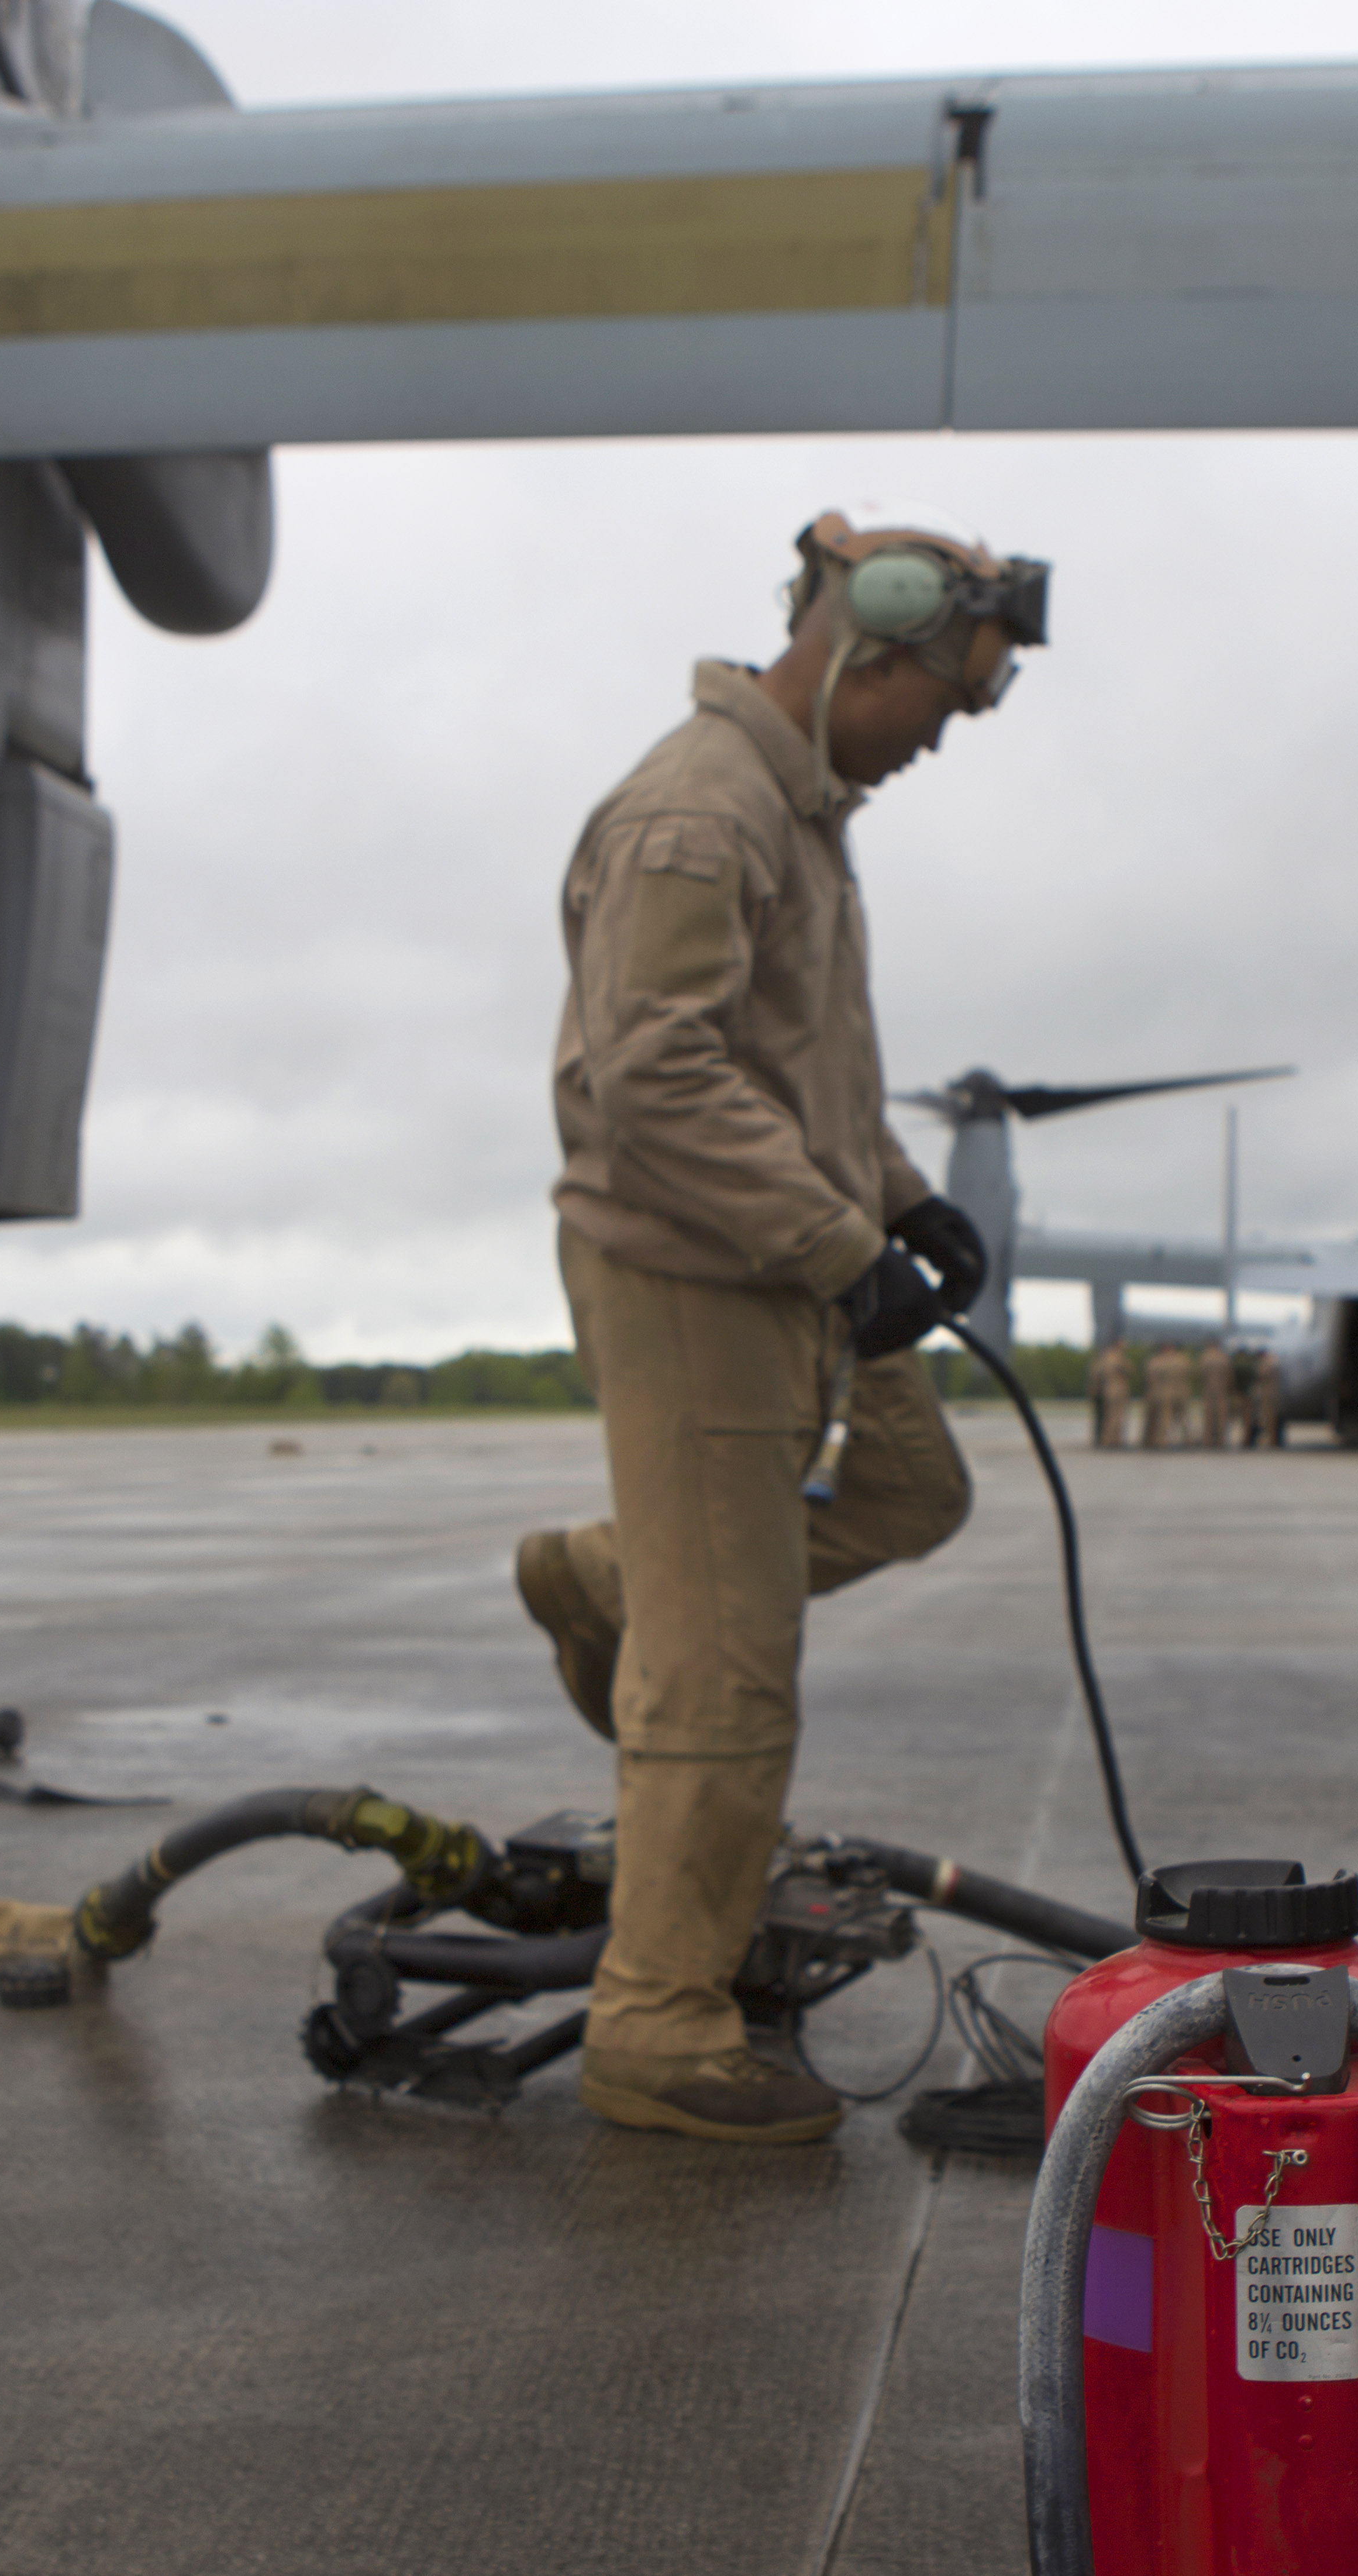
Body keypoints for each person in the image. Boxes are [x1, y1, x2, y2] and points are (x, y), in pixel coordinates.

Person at [516, 510, 1049, 2143]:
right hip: (694, 1278)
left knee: (913, 1492)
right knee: (731, 1670)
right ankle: (660, 2026)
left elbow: (797, 1069)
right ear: (864, 651)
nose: (939, 742)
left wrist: (897, 1197)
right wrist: (842, 1243)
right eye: (941, 708)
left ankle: (606, 1575)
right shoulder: (701, 810)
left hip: (789, 1260)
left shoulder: (806, 812)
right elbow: (653, 1076)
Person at [1142, 1338, 1192, 1449]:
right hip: (1181, 1392)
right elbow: (1188, 1374)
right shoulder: (1183, 1360)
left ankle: (1161, 1440)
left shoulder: (1156, 1361)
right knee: (1183, 1417)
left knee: (1164, 1418)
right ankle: (1188, 1439)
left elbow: (1150, 1377)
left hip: (1162, 1393)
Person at [1090, 1336, 1131, 1449]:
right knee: (1115, 1416)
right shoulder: (1117, 1358)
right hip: (1117, 1390)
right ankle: (1113, 1440)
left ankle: (1107, 1439)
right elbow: (1129, 1370)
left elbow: (1096, 1375)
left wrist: (1095, 1390)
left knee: (1109, 1416)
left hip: (1106, 1390)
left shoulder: (1102, 1358)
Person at [1200, 1338, 1233, 1449]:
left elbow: (1201, 1374)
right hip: (1222, 1390)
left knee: (1209, 1416)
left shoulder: (1206, 1357)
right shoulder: (1224, 1358)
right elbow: (1230, 1375)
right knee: (1222, 1416)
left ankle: (1208, 1440)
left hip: (1209, 1390)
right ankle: (1221, 1440)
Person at [1254, 1347, 1284, 1448]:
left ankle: (1273, 1441)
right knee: (1275, 1419)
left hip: (1268, 1395)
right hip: (1277, 1394)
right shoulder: (1277, 1361)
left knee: (1269, 1419)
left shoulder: (1267, 1363)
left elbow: (1260, 1375)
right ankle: (1276, 1440)